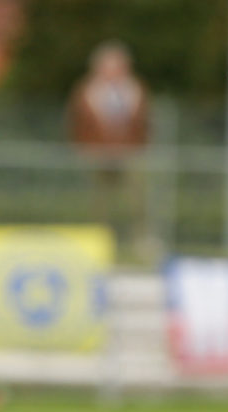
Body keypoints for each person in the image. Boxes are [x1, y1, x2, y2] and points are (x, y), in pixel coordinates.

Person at [67, 40, 150, 257]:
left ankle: (137, 244)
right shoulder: (85, 90)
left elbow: (145, 124)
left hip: (129, 155)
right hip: (96, 156)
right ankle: (98, 245)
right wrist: (83, 149)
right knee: (98, 205)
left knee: (136, 203)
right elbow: (75, 123)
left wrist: (139, 149)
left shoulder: (136, 88)